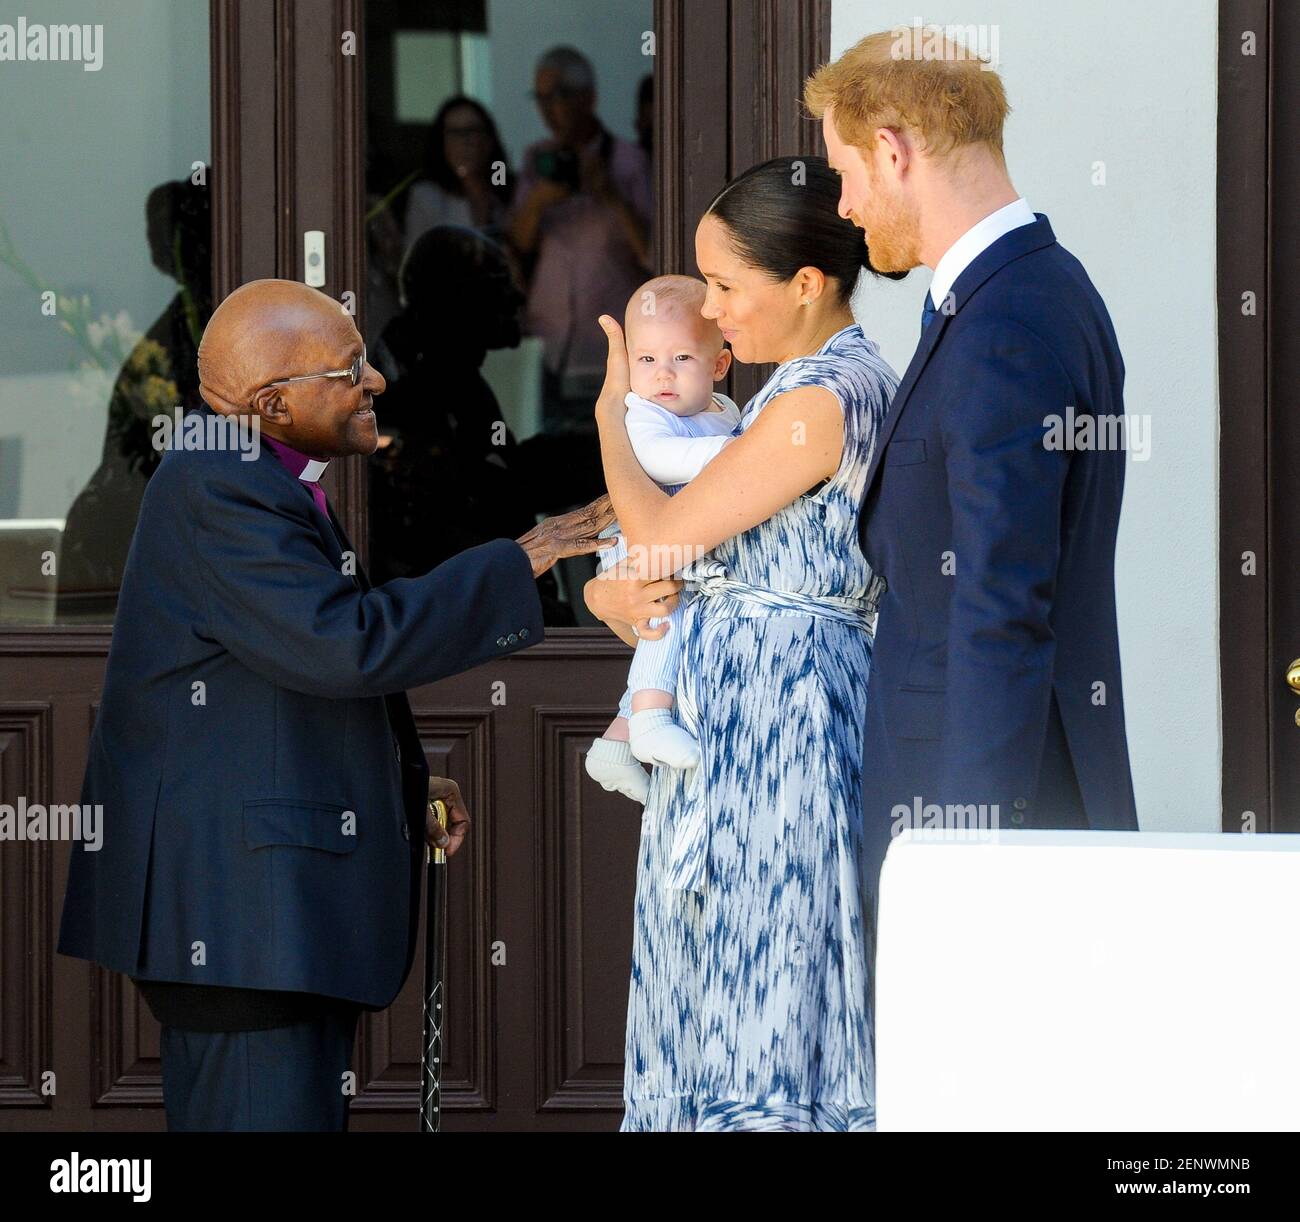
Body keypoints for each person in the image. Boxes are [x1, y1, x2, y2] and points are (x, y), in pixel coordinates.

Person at [55, 279, 615, 1131]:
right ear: (273, 404)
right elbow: (341, 643)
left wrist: (400, 785)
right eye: (349, 367)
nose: (377, 379)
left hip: (260, 925)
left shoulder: (252, 471)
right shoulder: (221, 486)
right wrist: (526, 556)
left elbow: (284, 687)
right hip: (240, 930)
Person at [584, 157, 904, 1130]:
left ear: (805, 283)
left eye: (725, 285)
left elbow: (661, 537)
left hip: (781, 723)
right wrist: (615, 589)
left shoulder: (822, 397)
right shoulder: (791, 393)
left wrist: (609, 414)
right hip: (748, 713)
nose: (709, 312)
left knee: (762, 983)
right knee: (721, 971)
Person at [804, 32, 1139, 949]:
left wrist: (967, 865)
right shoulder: (1035, 290)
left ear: (893, 149)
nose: (844, 205)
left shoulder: (1007, 321)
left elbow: (1001, 604)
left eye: (844, 172)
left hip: (985, 834)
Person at [583, 274, 740, 804]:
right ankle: (650, 716)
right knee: (665, 617)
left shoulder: (724, 414)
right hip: (639, 539)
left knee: (679, 614)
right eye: (646, 361)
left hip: (682, 541)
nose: (663, 374)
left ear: (719, 366)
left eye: (682, 359)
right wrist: (743, 459)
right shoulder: (643, 413)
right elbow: (656, 459)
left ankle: (617, 739)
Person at [508, 46, 653, 433]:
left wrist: (610, 195)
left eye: (557, 96)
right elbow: (517, 245)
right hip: (549, 344)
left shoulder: (628, 161)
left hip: (608, 346)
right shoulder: (537, 159)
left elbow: (653, 253)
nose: (547, 109)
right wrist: (538, 201)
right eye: (540, 98)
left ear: (589, 98)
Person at [402, 95, 514, 253]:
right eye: (454, 133)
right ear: (442, 144)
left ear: (489, 140)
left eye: (472, 131)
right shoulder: (426, 197)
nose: (464, 142)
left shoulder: (507, 191)